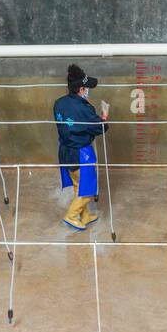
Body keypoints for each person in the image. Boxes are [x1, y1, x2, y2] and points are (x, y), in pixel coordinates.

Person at [53, 64, 109, 230]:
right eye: (86, 88)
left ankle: (85, 216)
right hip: (80, 153)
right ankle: (71, 216)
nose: (88, 91)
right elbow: (100, 127)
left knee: (79, 185)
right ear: (81, 89)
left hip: (64, 151)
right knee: (88, 189)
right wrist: (104, 116)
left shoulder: (59, 103)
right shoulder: (84, 108)